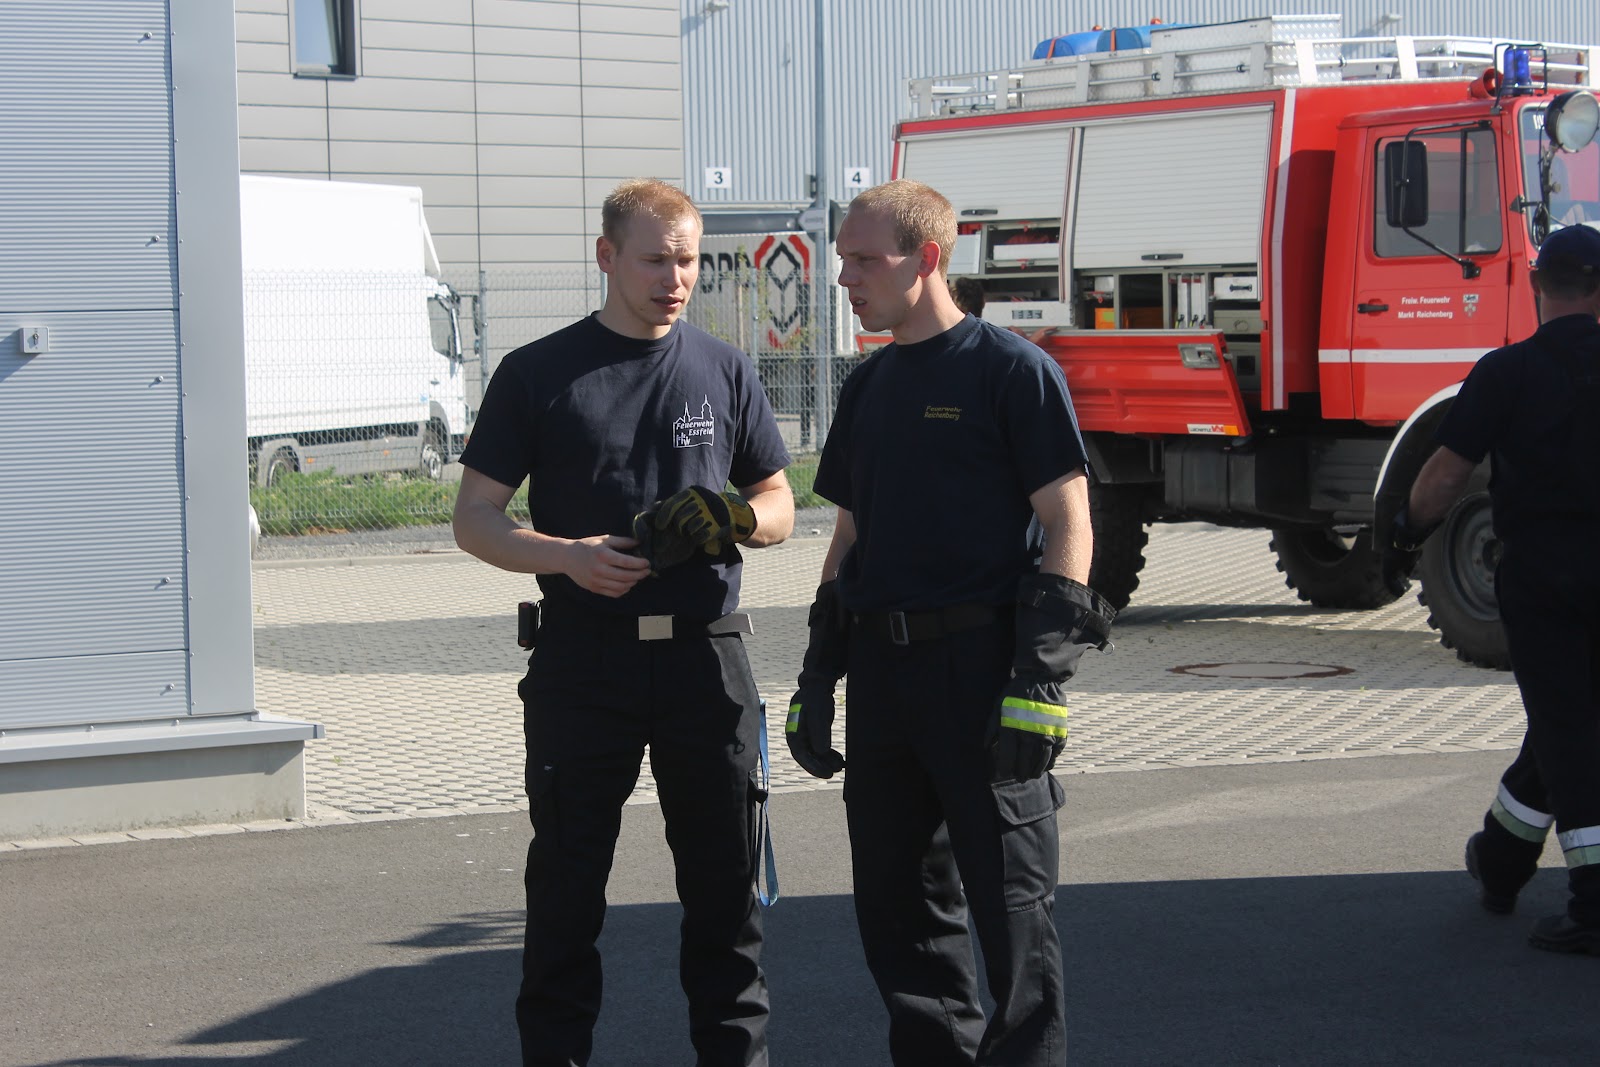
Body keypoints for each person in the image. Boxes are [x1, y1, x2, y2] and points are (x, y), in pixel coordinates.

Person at [453, 178, 794, 1065]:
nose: (676, 278)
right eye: (656, 259)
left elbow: (781, 501)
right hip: (584, 664)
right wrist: (567, 555)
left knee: (727, 903)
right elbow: (475, 519)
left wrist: (737, 518)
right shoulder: (537, 373)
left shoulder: (723, 368)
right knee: (566, 897)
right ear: (606, 257)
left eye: (688, 260)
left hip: (706, 665)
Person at [785, 179, 1113, 1064]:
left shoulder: (1012, 371)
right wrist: (817, 677)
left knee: (1012, 910)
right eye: (843, 258)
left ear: (927, 258)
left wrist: (1039, 681)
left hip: (982, 673)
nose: (845, 277)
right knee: (898, 911)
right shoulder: (870, 387)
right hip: (886, 682)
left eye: (864, 259)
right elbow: (848, 536)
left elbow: (1070, 522)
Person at [1382, 222, 1600, 954]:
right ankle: (1501, 859)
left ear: (1537, 286)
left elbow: (1443, 476)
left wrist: (1403, 535)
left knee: (1568, 726)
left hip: (1541, 578)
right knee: (1563, 725)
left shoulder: (1505, 372)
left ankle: (1594, 900)